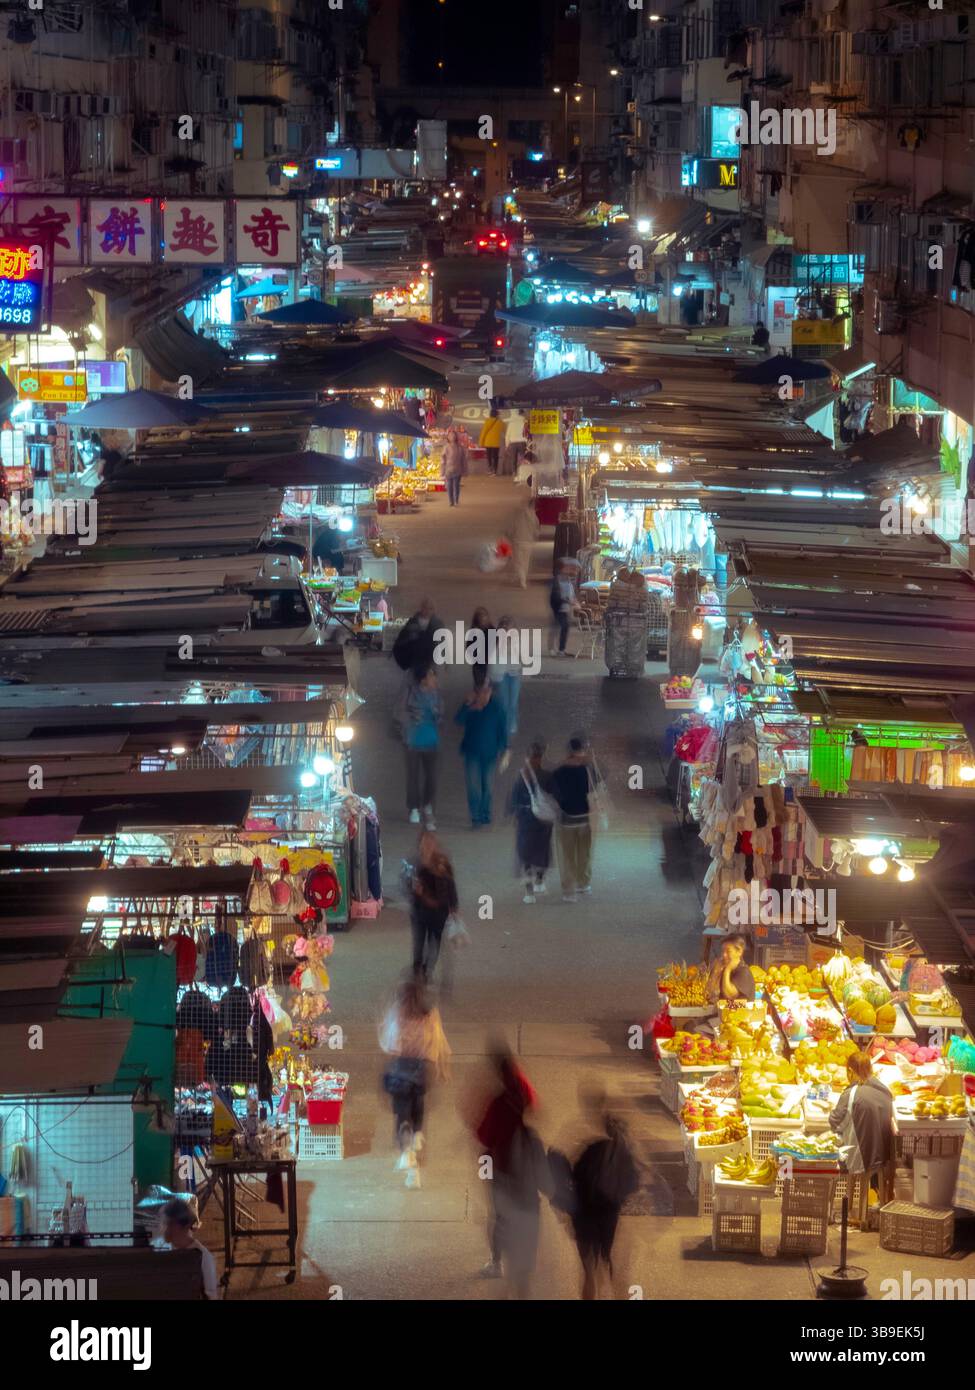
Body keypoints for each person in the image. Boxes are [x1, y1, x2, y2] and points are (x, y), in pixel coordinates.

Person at [474, 1046, 549, 1294]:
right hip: (525, 1182)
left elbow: (483, 1135)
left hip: (500, 1169)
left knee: (498, 1216)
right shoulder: (523, 1091)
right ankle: (520, 1270)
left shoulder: (497, 1103)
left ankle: (497, 1262)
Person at [380, 977, 451, 1188]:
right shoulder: (430, 1013)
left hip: (401, 1069)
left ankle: (407, 1151)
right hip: (423, 1069)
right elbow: (438, 1041)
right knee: (418, 1103)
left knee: (402, 1111)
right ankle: (418, 1134)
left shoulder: (398, 1012)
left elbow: (391, 1042)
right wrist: (442, 1066)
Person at [570, 1112, 640, 1300]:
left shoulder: (592, 1149)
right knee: (610, 1267)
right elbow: (633, 1184)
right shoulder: (624, 1157)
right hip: (608, 1217)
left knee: (589, 1272)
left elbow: (574, 1176)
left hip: (584, 1216)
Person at [829, 1051, 895, 1218]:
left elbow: (836, 1121)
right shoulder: (885, 1090)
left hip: (859, 1156)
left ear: (850, 1071)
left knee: (829, 1150)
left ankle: (834, 1209)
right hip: (884, 1155)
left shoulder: (850, 1093)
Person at [455, 677, 508, 827]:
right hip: (472, 753)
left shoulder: (497, 707)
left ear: (491, 691)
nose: (484, 695)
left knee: (487, 786)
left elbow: (502, 729)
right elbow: (458, 720)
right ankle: (476, 816)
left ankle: (485, 813)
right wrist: (467, 705)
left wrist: (505, 748)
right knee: (473, 786)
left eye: (487, 691)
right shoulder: (470, 706)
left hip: (490, 753)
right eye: (481, 691)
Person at [509, 739, 555, 903]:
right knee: (542, 850)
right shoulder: (547, 776)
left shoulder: (521, 776)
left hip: (525, 819)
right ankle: (540, 881)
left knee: (526, 854)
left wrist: (512, 814)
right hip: (543, 821)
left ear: (527, 757)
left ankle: (529, 894)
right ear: (541, 757)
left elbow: (513, 798)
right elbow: (554, 796)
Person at [398, 662, 443, 828]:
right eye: (431, 675)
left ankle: (428, 805)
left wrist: (437, 714)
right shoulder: (410, 692)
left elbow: (441, 715)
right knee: (413, 777)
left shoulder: (436, 695)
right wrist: (410, 722)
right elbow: (400, 712)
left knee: (431, 777)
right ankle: (414, 807)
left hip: (431, 741)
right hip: (413, 741)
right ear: (423, 679)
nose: (434, 678)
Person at [408, 830, 458, 979]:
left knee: (434, 945)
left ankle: (426, 971)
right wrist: (414, 890)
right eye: (425, 843)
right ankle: (417, 972)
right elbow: (405, 885)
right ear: (420, 846)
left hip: (438, 913)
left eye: (431, 843)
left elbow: (451, 885)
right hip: (419, 913)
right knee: (418, 945)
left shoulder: (443, 864)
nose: (429, 846)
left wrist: (454, 905)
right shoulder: (415, 866)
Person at [551, 736, 596, 902]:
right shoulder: (585, 769)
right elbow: (592, 786)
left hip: (566, 819)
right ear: (582, 750)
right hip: (583, 817)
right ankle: (583, 884)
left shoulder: (559, 772)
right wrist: (589, 760)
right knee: (584, 853)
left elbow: (553, 791)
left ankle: (568, 891)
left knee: (567, 856)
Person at [160, 1199, 220, 1300]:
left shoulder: (203, 1256)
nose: (166, 1228)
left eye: (170, 1223)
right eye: (166, 1223)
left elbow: (211, 1295)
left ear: (185, 1225)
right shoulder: (165, 1251)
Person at [487, 614, 522, 739]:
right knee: (504, 702)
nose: (506, 629)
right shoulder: (494, 641)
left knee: (513, 702)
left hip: (514, 673)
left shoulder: (516, 640)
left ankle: (511, 723)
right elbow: (491, 660)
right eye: (504, 627)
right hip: (501, 675)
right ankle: (504, 726)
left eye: (509, 627)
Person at [392, 597, 445, 674]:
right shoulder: (412, 622)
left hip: (430, 662)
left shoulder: (438, 623)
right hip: (415, 661)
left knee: (429, 682)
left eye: (430, 608)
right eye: (425, 607)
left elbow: (443, 641)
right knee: (413, 682)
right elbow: (401, 640)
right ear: (421, 608)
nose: (427, 611)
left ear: (434, 610)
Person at [707, 934, 757, 1003]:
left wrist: (727, 970)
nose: (724, 955)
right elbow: (709, 992)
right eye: (723, 951)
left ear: (739, 952)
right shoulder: (723, 966)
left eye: (728, 951)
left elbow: (730, 995)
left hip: (739, 1013)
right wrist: (716, 971)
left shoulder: (744, 971)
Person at [549, 558, 582, 656]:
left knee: (562, 627)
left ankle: (559, 649)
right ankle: (556, 649)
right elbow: (556, 596)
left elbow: (570, 593)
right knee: (560, 626)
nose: (575, 571)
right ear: (564, 568)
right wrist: (569, 601)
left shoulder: (568, 580)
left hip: (564, 607)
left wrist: (574, 601)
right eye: (573, 569)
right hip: (559, 608)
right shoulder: (558, 580)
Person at [508, 494, 540, 588]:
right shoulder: (535, 518)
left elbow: (512, 526)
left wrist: (509, 535)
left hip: (518, 541)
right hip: (528, 542)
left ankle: (521, 578)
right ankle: (522, 580)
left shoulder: (518, 514)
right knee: (525, 562)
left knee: (518, 561)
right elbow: (536, 531)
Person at [441, 426, 469, 506]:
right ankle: (451, 501)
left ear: (456, 437)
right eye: (450, 436)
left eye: (453, 435)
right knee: (449, 486)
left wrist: (465, 471)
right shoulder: (446, 447)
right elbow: (443, 461)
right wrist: (442, 472)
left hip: (458, 470)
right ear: (448, 437)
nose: (452, 437)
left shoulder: (460, 448)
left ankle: (456, 500)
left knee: (456, 486)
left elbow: (463, 460)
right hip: (448, 470)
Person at [478, 406, 507, 474]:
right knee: (495, 456)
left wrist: (481, 442)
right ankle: (495, 470)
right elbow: (504, 429)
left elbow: (484, 432)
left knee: (489, 457)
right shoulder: (500, 422)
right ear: (497, 414)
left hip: (488, 442)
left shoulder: (487, 421)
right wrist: (499, 418)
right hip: (496, 442)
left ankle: (490, 469)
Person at [470, 605, 492, 688]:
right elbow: (469, 650)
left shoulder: (492, 631)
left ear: (487, 617)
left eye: (484, 616)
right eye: (480, 616)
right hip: (478, 666)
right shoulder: (473, 631)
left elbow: (494, 649)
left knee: (489, 689)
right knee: (479, 688)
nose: (482, 618)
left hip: (489, 665)